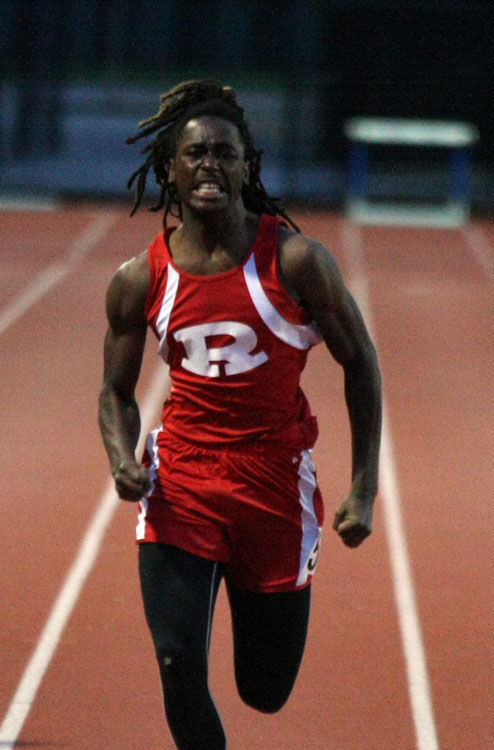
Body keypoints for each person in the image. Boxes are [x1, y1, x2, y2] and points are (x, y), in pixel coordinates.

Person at [98, 80, 382, 749]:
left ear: (246, 167)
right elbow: (114, 392)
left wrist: (364, 486)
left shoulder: (295, 261)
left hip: (273, 482)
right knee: (178, 664)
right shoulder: (139, 279)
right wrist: (119, 457)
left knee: (264, 688)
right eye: (195, 154)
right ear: (170, 168)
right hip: (182, 480)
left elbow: (361, 361)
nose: (210, 167)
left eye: (225, 154)